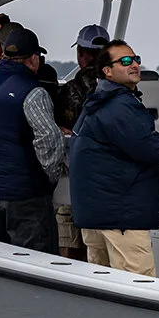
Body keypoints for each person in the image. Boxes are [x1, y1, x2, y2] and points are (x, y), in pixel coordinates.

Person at [69, 39, 159, 275]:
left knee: (102, 287)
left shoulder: (98, 102)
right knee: (137, 287)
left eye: (136, 59)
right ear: (107, 71)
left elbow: (133, 145)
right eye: (125, 61)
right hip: (121, 219)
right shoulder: (120, 106)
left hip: (97, 215)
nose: (134, 64)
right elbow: (157, 151)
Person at [0, 25, 64, 253]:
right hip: (25, 199)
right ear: (33, 60)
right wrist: (50, 179)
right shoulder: (33, 92)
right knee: (37, 265)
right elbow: (50, 139)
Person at [50, 23, 110, 261]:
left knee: (68, 231)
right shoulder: (121, 87)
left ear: (81, 54)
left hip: (78, 174)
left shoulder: (72, 90)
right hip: (108, 177)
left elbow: (62, 131)